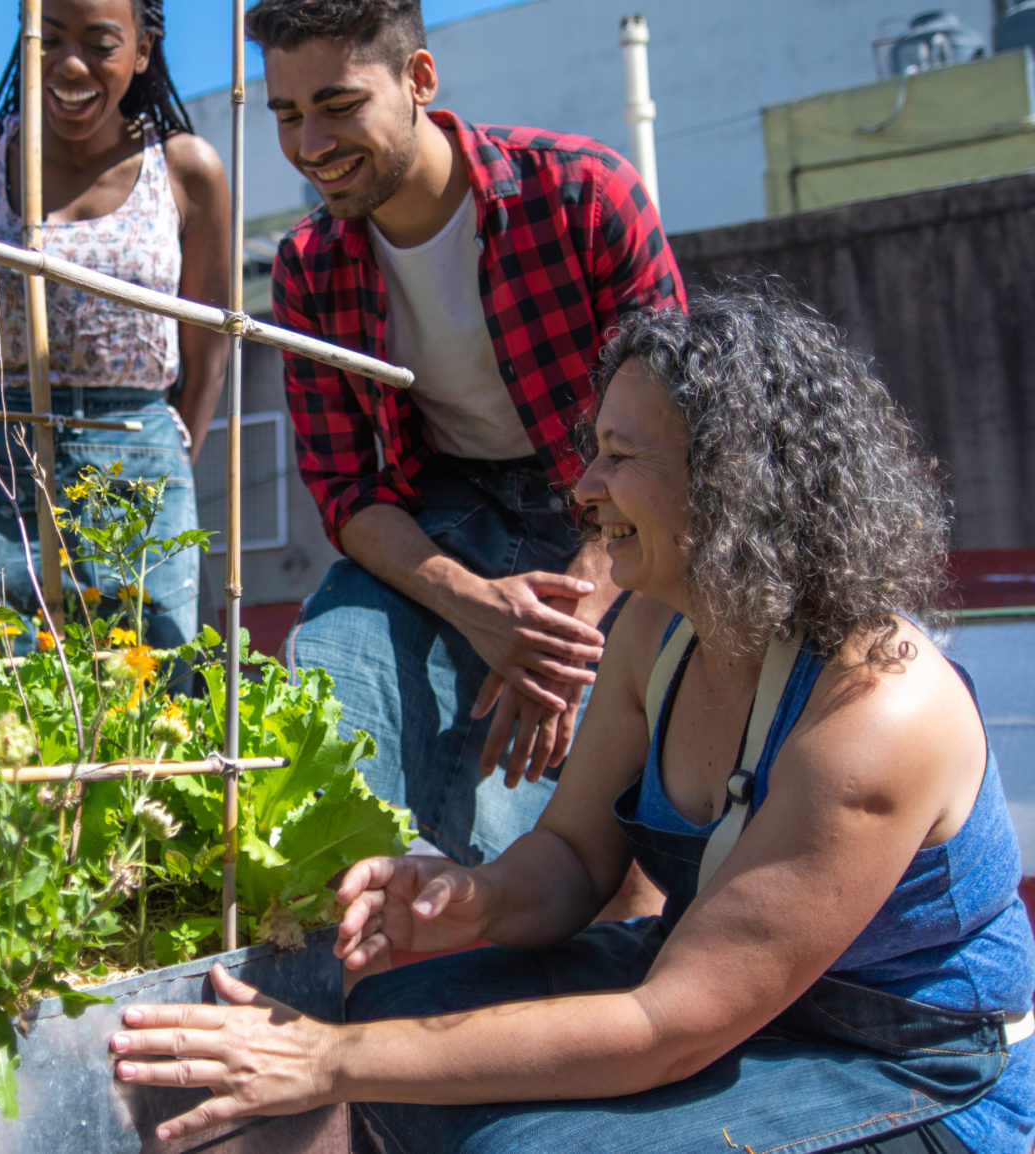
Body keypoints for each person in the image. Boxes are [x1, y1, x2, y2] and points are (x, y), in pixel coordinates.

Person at [108, 289, 1035, 1153]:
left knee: (514, 1143)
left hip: (917, 1065)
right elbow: (578, 859)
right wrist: (469, 900)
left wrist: (320, 1063)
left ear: (733, 480)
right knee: (389, 1013)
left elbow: (665, 1028)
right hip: (714, 991)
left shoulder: (874, 712)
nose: (582, 487)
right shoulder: (661, 628)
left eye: (621, 457)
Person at [252, 0, 684, 865]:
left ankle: (518, 929)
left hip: (623, 506)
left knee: (567, 760)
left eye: (338, 106)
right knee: (335, 659)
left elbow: (674, 434)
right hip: (451, 510)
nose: (310, 145)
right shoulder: (307, 266)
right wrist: (478, 606)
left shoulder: (585, 195)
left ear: (419, 79)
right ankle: (354, 922)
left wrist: (566, 629)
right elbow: (346, 492)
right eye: (288, 115)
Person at [0, 0, 230, 651]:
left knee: (151, 688)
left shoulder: (188, 172)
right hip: (3, 452)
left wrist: (168, 453)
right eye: (49, 38)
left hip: (143, 451)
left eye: (101, 43)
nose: (71, 65)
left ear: (143, 51)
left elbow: (208, 353)